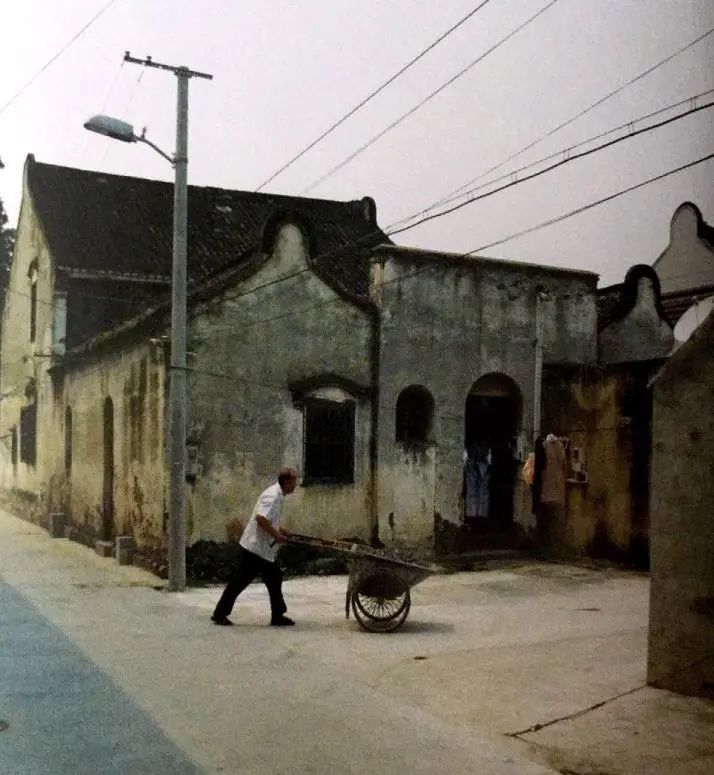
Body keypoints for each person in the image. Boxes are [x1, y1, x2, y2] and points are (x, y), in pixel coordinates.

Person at [211, 467, 298, 627]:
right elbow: (261, 519)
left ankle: (278, 615)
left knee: (274, 578)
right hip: (255, 549)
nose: (295, 486)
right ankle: (219, 614)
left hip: (261, 549)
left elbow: (268, 519)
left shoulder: (278, 495)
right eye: (293, 482)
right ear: (286, 482)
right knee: (240, 581)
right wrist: (276, 535)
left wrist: (279, 529)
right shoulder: (273, 496)